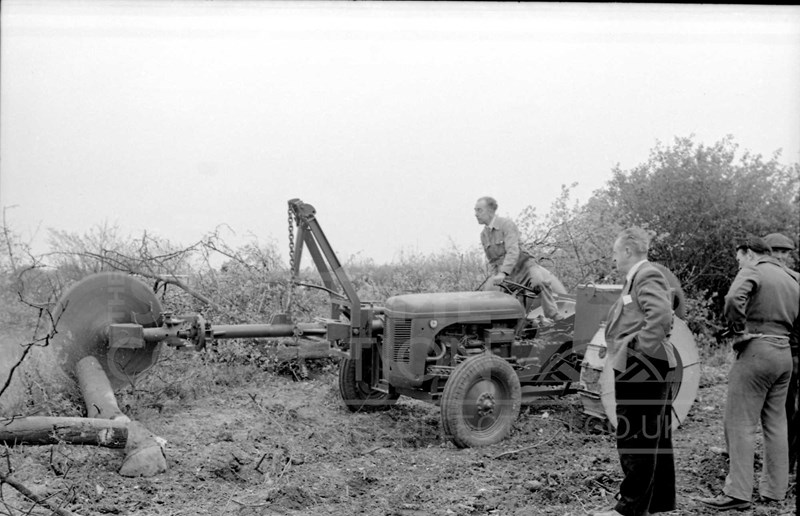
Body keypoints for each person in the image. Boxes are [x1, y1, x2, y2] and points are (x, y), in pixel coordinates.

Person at [700, 236, 800, 511]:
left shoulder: (753, 268)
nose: (739, 263)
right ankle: (775, 491)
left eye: (739, 258)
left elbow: (733, 298)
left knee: (740, 423)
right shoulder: (793, 277)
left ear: (748, 253)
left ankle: (738, 493)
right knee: (776, 423)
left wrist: (737, 331)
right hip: (785, 354)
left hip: (756, 349)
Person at [593, 227, 676, 516]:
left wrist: (638, 349)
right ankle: (657, 502)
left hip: (642, 366)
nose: (614, 259)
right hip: (645, 363)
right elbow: (640, 316)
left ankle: (629, 509)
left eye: (616, 253)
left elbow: (662, 315)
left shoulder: (646, 274)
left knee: (635, 438)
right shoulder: (637, 279)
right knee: (653, 436)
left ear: (628, 251)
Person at [474, 196, 566, 320]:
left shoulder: (506, 225)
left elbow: (513, 251)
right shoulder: (484, 235)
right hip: (508, 274)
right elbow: (493, 261)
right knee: (499, 301)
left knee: (539, 283)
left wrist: (502, 273)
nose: (476, 214)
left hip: (524, 267)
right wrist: (498, 275)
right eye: (475, 210)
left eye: (479, 210)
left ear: (490, 211)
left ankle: (554, 316)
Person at [763, 232, 799, 477]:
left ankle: (785, 467)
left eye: (785, 252)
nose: (782, 257)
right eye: (778, 252)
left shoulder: (786, 279)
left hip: (789, 351)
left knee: (785, 412)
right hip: (784, 352)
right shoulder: (792, 279)